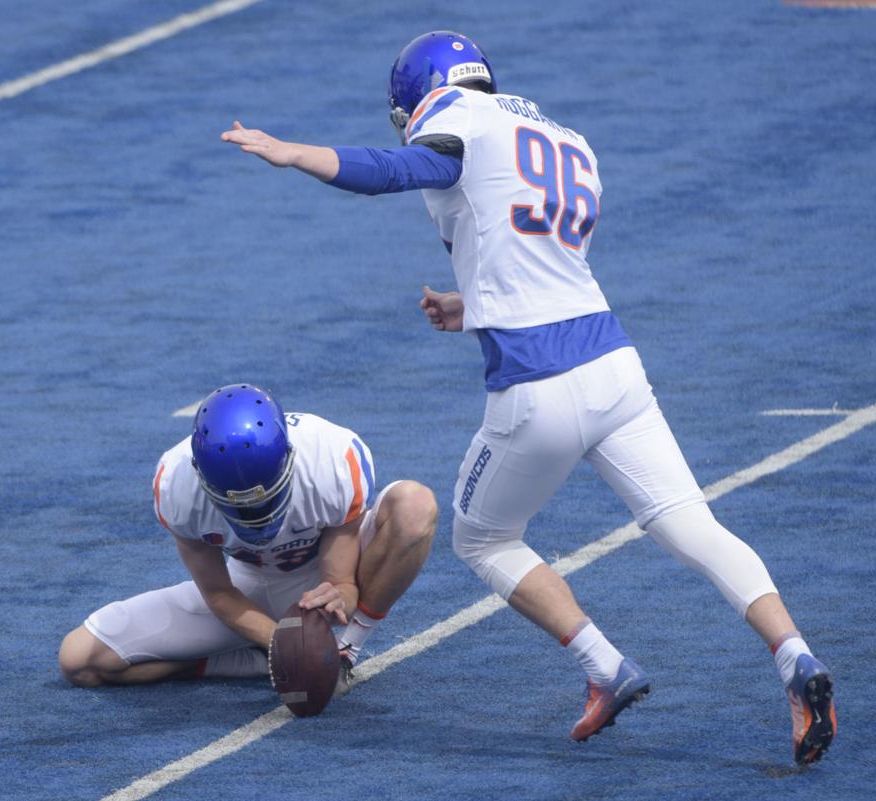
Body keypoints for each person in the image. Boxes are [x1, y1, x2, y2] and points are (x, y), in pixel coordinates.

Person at [218, 32, 837, 763]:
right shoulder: (564, 136)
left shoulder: (456, 123)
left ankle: (605, 666)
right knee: (689, 522)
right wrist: (471, 302)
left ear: (421, 94)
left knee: (482, 538)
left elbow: (397, 168)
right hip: (614, 365)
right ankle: (794, 654)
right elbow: (538, 256)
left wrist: (299, 154)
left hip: (537, 383)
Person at [59, 383, 437, 698]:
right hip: (246, 589)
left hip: (318, 581)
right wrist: (285, 646)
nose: (257, 516)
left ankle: (346, 650)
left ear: (290, 460)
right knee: (79, 660)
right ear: (202, 478)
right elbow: (219, 593)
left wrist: (341, 597)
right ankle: (251, 659)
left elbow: (340, 580)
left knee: (414, 507)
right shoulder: (177, 487)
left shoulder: (331, 458)